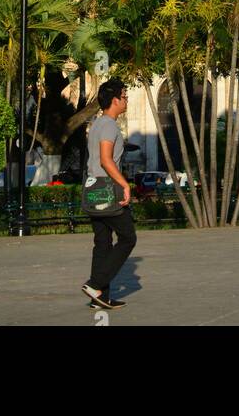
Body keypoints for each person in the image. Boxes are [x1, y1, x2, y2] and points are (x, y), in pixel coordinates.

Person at [81, 79, 137, 312]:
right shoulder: (110, 126)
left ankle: (100, 298)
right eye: (124, 96)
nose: (126, 99)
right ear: (114, 100)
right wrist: (124, 184)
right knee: (128, 237)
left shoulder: (97, 123)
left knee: (102, 243)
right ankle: (95, 285)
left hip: (92, 188)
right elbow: (106, 159)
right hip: (106, 188)